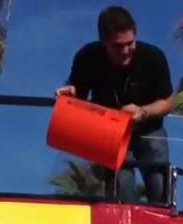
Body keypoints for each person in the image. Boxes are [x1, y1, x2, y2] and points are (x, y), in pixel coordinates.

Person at [56, 6, 174, 204]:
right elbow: (78, 97)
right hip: (112, 135)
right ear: (104, 42)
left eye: (130, 43)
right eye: (118, 47)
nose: (126, 51)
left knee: (161, 194)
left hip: (149, 131)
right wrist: (70, 95)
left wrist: (143, 112)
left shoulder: (154, 57)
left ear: (136, 33)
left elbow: (169, 102)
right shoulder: (87, 57)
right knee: (122, 194)